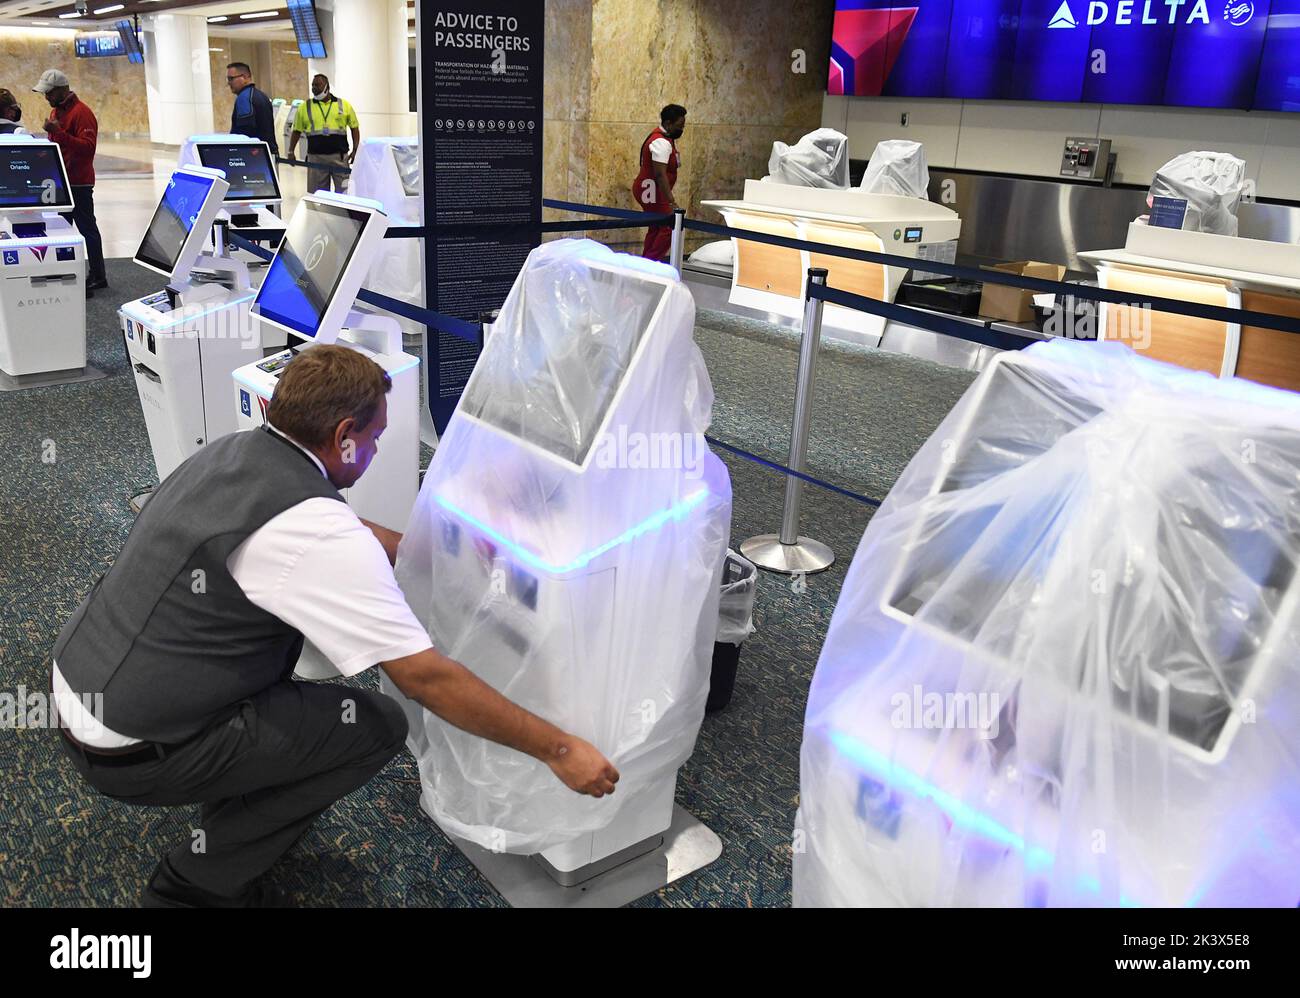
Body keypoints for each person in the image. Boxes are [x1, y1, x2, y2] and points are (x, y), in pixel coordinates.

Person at [52, 345, 619, 908]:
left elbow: (332, 524)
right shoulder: (317, 530)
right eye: (373, 439)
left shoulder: (237, 452)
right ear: (344, 433)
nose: (372, 450)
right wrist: (561, 750)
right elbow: (427, 679)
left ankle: (236, 795)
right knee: (372, 727)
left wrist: (426, 553)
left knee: (283, 695)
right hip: (132, 747)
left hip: (82, 685)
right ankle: (194, 886)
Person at [33, 69, 106, 296]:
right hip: (62, 181)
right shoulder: (58, 111)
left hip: (79, 182)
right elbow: (60, 144)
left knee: (87, 229)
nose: (46, 97)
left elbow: (87, 149)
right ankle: (63, 269)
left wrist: (58, 133)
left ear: (62, 90)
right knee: (60, 230)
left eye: (49, 93)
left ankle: (98, 276)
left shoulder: (82, 113)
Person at [287, 74, 360, 194]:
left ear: (327, 86)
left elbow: (354, 127)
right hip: (316, 158)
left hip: (339, 158)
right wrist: (291, 151)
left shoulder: (344, 105)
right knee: (318, 195)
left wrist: (355, 149)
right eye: (313, 85)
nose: (314, 88)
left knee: (344, 193)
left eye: (318, 85)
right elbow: (296, 131)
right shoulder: (305, 107)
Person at [632, 104, 686, 262]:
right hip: (652, 190)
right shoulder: (660, 143)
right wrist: (672, 201)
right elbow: (660, 175)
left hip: (653, 189)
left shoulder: (664, 138)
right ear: (668, 123)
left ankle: (646, 261)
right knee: (669, 225)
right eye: (679, 126)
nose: (682, 130)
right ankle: (650, 263)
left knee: (656, 227)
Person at [226, 62, 278, 155]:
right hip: (268, 152)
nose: (229, 83)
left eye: (231, 78)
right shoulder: (261, 95)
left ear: (245, 77)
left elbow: (244, 134)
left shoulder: (244, 98)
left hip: (254, 156)